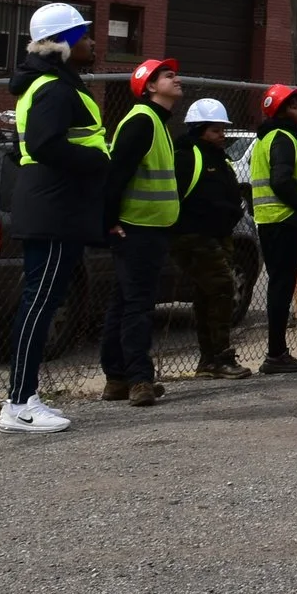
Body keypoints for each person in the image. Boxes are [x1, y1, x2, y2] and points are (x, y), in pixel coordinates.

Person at [2, 2, 106, 435]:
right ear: (62, 43)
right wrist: (100, 161)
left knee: (42, 302)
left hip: (55, 204)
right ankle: (20, 402)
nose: (92, 41)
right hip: (53, 207)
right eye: (83, 35)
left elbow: (23, 146)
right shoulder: (54, 88)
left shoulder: (52, 84)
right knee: (39, 304)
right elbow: (44, 145)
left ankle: (24, 398)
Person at [99, 57, 182, 407]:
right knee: (138, 306)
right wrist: (110, 219)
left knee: (124, 302)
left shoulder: (158, 123)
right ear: (149, 86)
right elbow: (114, 173)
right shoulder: (142, 122)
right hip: (137, 229)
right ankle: (138, 380)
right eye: (167, 75)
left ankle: (117, 378)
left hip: (149, 228)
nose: (176, 79)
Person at [171, 98, 249, 379]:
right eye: (216, 130)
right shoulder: (187, 155)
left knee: (209, 294)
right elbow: (180, 196)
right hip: (194, 235)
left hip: (219, 235)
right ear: (200, 129)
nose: (222, 135)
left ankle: (209, 360)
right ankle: (219, 356)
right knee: (222, 288)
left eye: (222, 129)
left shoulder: (218, 157)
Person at [248, 84, 297, 374]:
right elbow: (281, 180)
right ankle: (276, 354)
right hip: (282, 220)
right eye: (293, 105)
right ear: (279, 111)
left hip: (271, 221)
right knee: (281, 285)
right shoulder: (282, 138)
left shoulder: (268, 138)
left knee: (280, 283)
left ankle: (277, 352)